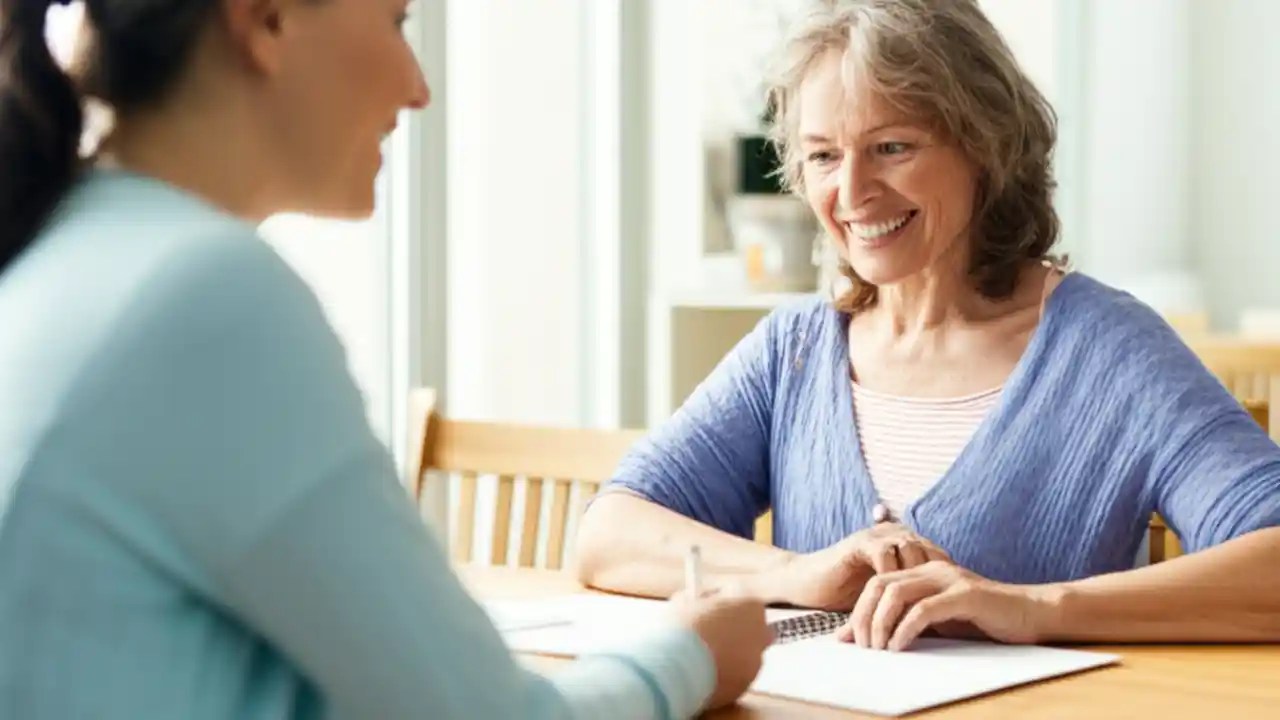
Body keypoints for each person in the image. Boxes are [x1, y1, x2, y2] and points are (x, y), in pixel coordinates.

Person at [0, 0, 771, 718]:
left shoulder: (61, 254)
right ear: (264, 21)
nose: (419, 89)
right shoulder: (200, 296)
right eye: (398, 22)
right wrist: (691, 652)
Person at [576, 0, 1280, 652]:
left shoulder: (1109, 351)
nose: (851, 194)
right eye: (823, 155)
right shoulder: (793, 353)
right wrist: (795, 575)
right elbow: (609, 535)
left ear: (986, 146)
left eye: (892, 147)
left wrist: (1032, 609)